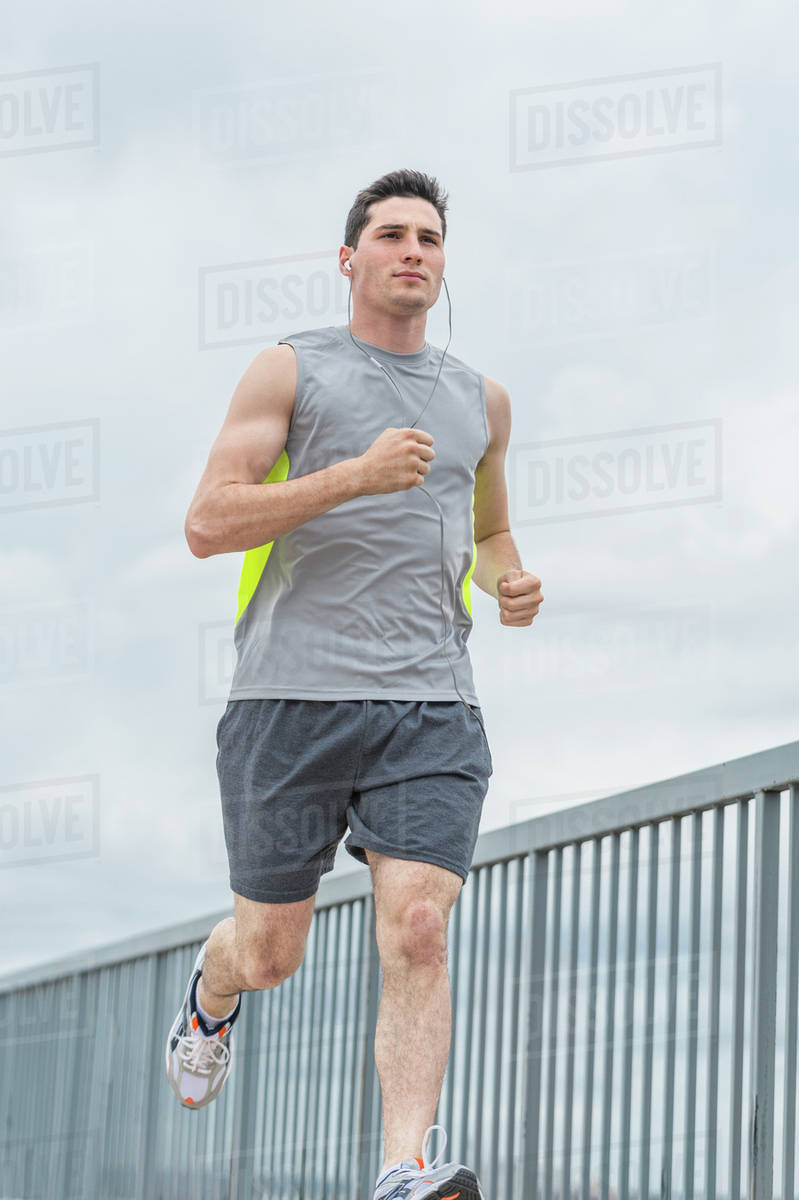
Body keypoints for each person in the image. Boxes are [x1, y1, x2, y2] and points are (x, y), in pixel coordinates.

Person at [165, 167, 543, 1200]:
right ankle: (213, 984)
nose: (413, 250)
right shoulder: (290, 370)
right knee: (272, 953)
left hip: (431, 703)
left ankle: (402, 1167)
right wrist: (350, 477)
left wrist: (508, 577)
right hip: (287, 700)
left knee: (420, 925)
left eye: (428, 236)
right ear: (352, 258)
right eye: (391, 234)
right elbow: (207, 524)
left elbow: (488, 524)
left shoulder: (482, 400)